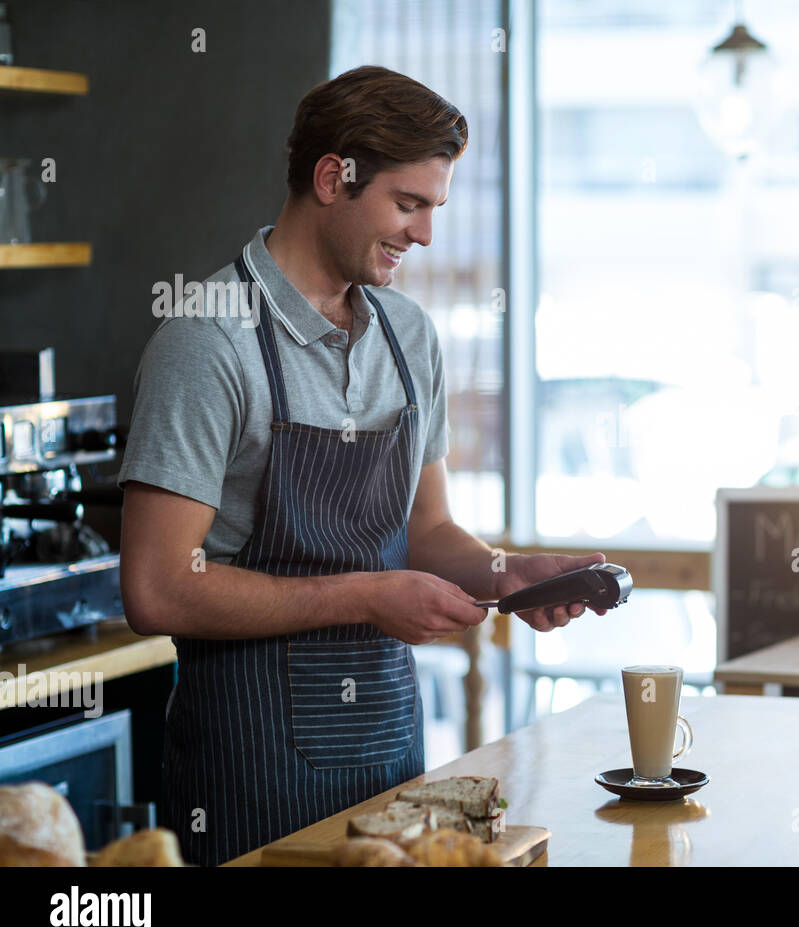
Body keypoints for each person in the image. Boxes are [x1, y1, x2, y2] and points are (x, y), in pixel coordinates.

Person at [118, 66, 605, 866]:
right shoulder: (207, 342)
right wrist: (367, 597)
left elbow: (427, 531)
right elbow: (157, 587)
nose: (424, 236)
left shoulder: (409, 337)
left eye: (433, 209)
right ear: (331, 177)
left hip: (389, 762)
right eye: (408, 205)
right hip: (248, 772)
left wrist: (504, 571)